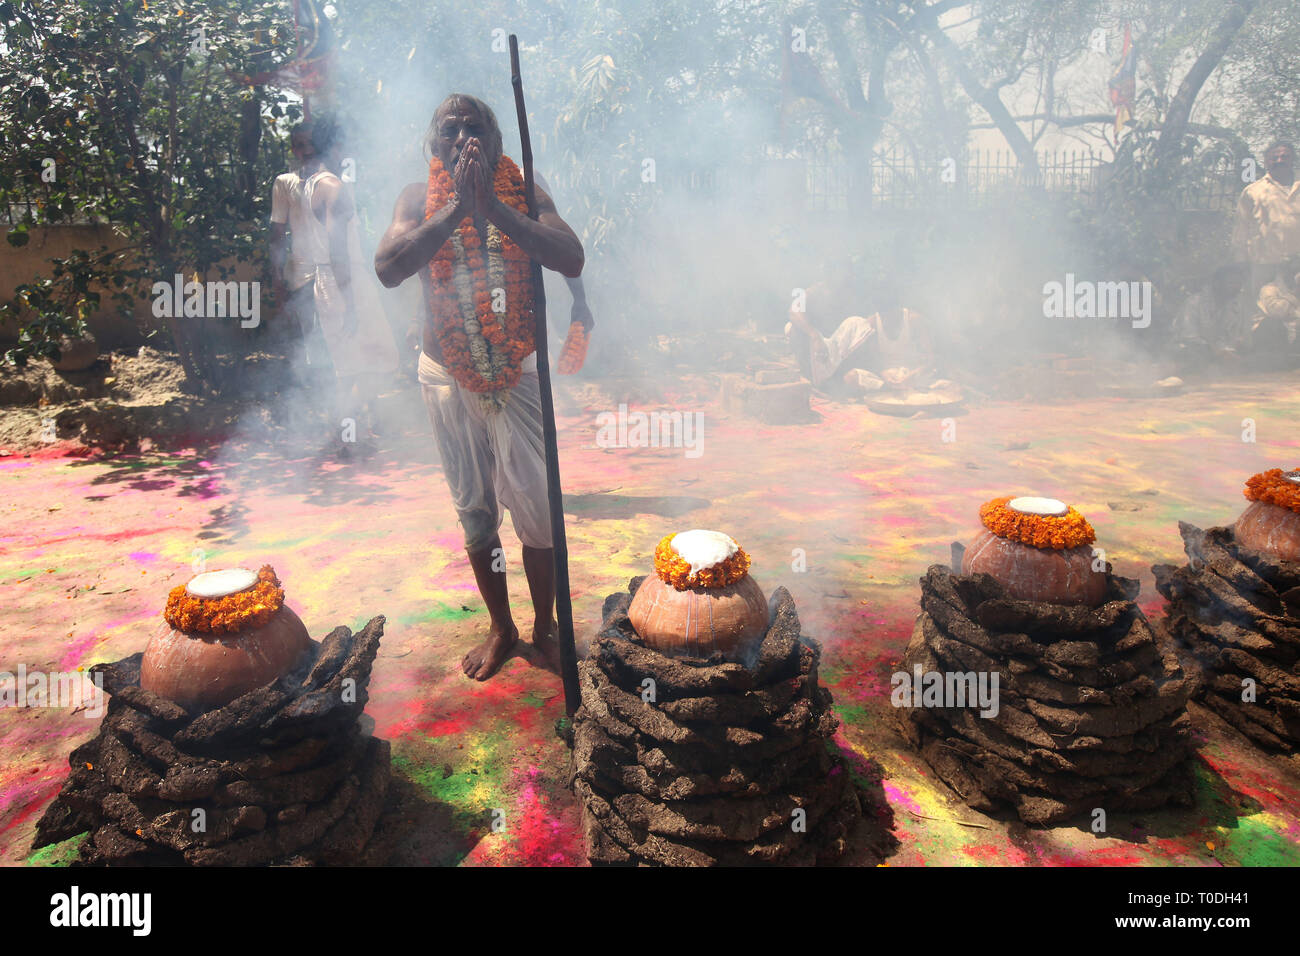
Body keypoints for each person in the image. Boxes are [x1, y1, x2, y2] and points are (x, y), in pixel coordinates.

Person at [374, 93, 584, 681]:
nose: (463, 136)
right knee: (475, 513)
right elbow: (388, 268)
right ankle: (502, 627)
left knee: (539, 511)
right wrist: (456, 212)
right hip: (446, 372)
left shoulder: (527, 192)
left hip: (517, 371)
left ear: (495, 143)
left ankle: (544, 626)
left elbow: (571, 258)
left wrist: (491, 207)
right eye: (451, 128)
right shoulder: (417, 199)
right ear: (433, 142)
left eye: (476, 127)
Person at [288, 115, 399, 449]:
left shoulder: (313, 183)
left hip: (331, 280)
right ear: (336, 145)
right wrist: (349, 301)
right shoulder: (334, 188)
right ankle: (346, 438)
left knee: (351, 365)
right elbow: (337, 249)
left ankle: (349, 435)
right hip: (343, 282)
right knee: (363, 364)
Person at [1233, 141, 1300, 325]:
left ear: (1292, 159)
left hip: (1297, 264)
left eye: (1284, 156)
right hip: (1264, 264)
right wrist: (1241, 264)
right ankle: (1258, 348)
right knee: (1261, 311)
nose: (1280, 160)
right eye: (1274, 157)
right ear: (1266, 161)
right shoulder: (1253, 192)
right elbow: (1241, 231)